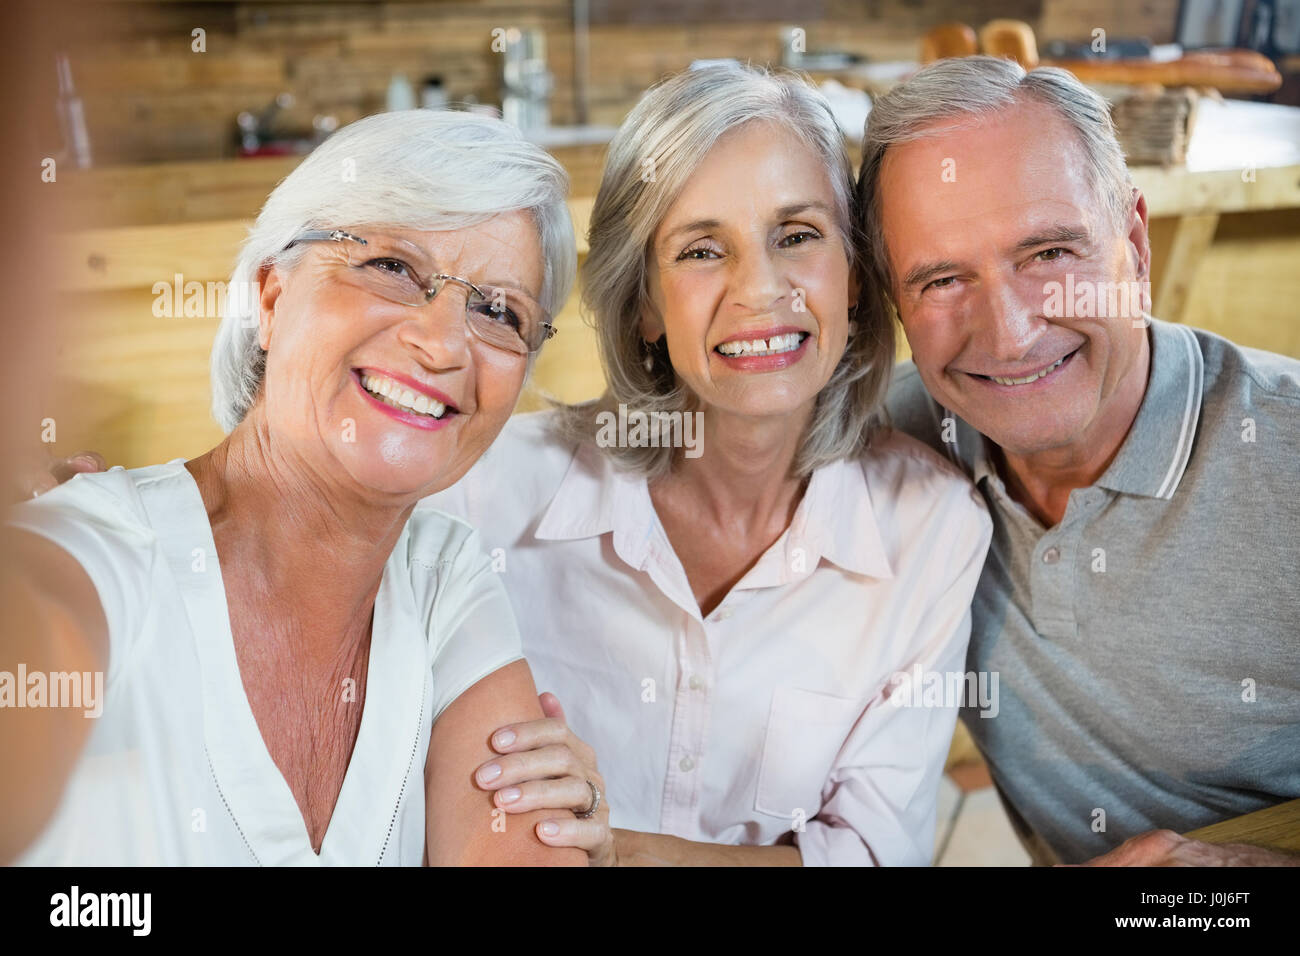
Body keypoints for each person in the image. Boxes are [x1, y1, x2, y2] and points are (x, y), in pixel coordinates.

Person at [427, 64, 994, 865]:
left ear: (856, 278)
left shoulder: (931, 527)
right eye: (701, 250)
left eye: (797, 236)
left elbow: (873, 857)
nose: (761, 289)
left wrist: (612, 850)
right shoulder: (480, 491)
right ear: (646, 306)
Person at [0, 109, 590, 866]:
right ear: (271, 300)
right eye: (392, 267)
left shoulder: (445, 576)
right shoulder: (99, 549)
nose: (443, 343)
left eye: (498, 310)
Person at [862, 56, 1300, 865]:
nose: (1010, 335)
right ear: (896, 305)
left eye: (1049, 254)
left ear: (1133, 243)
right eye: (942, 279)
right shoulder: (894, 445)